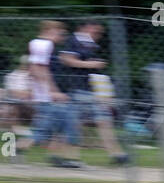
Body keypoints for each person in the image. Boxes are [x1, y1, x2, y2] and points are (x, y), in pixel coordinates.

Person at [59, 19, 128, 165]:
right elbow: (67, 60)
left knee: (103, 120)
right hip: (77, 88)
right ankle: (68, 157)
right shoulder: (73, 40)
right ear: (87, 27)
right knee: (77, 124)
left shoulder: (90, 43)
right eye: (96, 31)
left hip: (91, 88)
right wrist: (91, 64)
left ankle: (117, 155)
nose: (98, 35)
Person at [21, 20, 81, 168]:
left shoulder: (43, 45)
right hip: (46, 96)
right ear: (51, 30)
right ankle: (18, 147)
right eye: (61, 33)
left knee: (61, 124)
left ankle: (60, 157)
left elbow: (36, 70)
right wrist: (52, 91)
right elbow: (37, 69)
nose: (62, 37)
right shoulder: (44, 44)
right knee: (46, 129)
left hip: (46, 94)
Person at [3, 58, 35, 133]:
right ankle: (16, 130)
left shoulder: (35, 76)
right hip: (17, 102)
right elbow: (14, 93)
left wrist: (26, 93)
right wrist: (28, 93)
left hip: (33, 102)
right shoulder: (12, 76)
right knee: (15, 106)